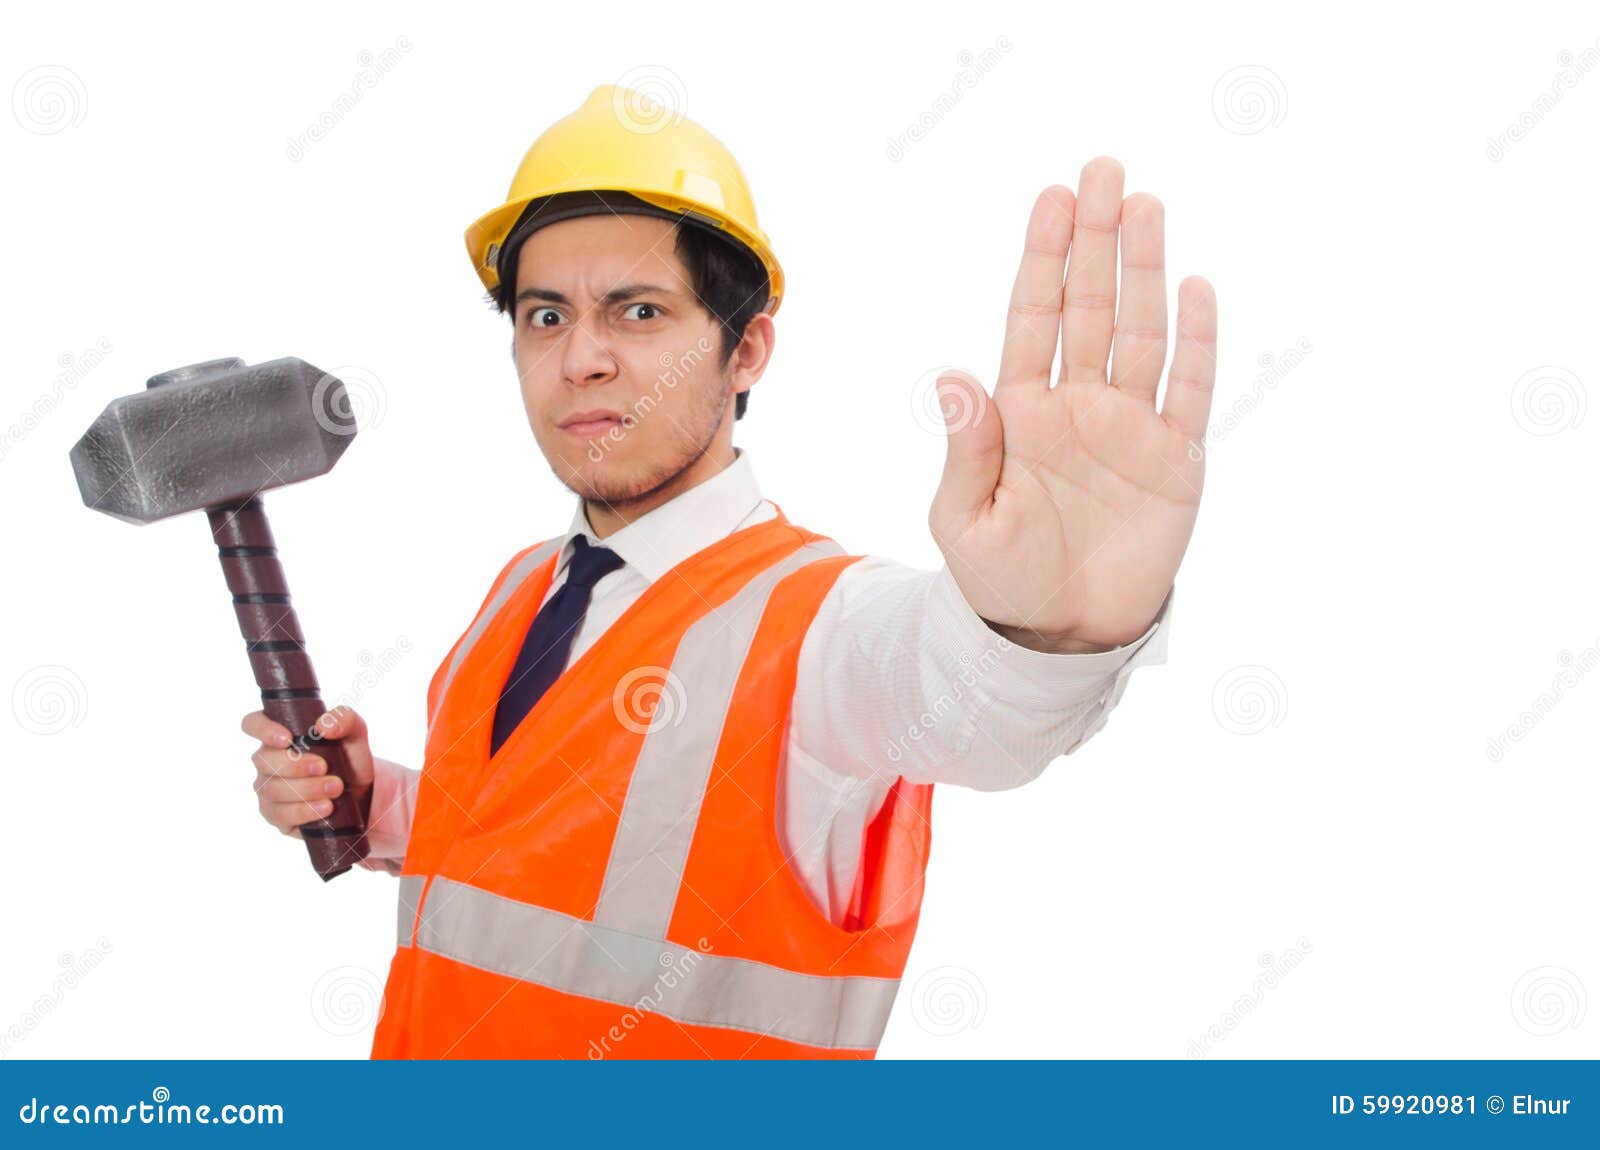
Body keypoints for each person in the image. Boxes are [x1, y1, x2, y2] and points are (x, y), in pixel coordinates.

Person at [244, 85, 1217, 1058]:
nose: (580, 357)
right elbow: (554, 866)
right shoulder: (527, 582)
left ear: (744, 347)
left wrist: (1045, 627)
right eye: (545, 315)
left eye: (637, 310)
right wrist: (382, 808)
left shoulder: (817, 626)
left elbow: (967, 703)